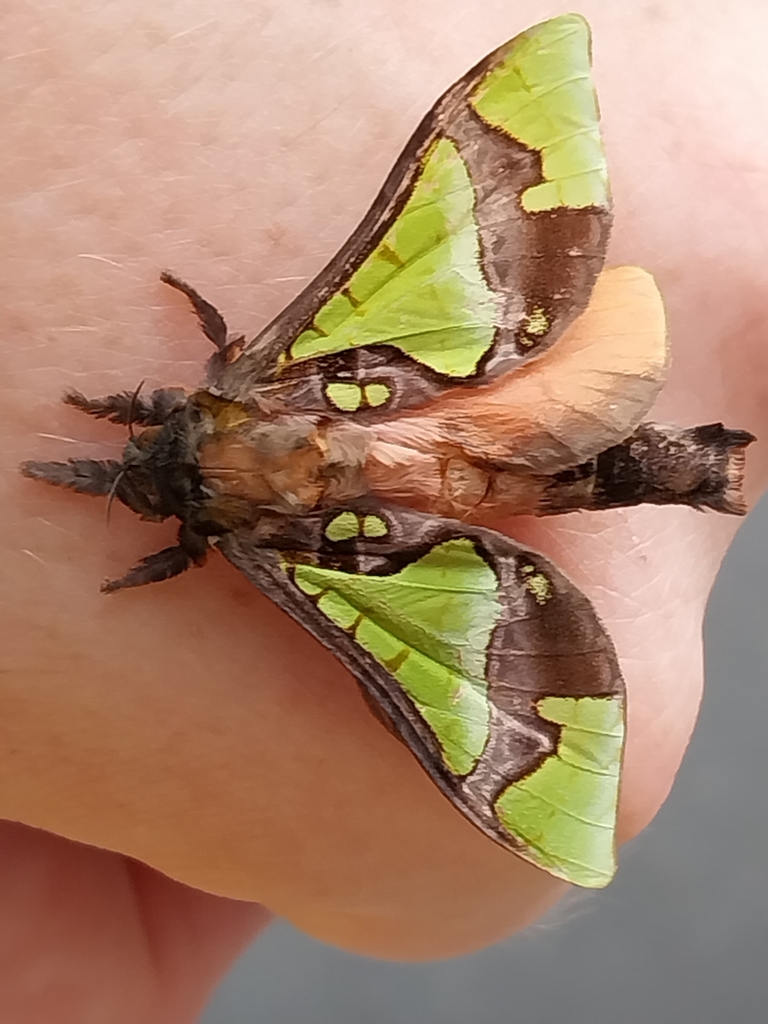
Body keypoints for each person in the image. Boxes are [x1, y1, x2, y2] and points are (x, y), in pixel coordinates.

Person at [2, 0, 766, 1018]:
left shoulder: (268, 558)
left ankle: (682, 472)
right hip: (469, 418)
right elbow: (506, 133)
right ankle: (686, 469)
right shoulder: (261, 378)